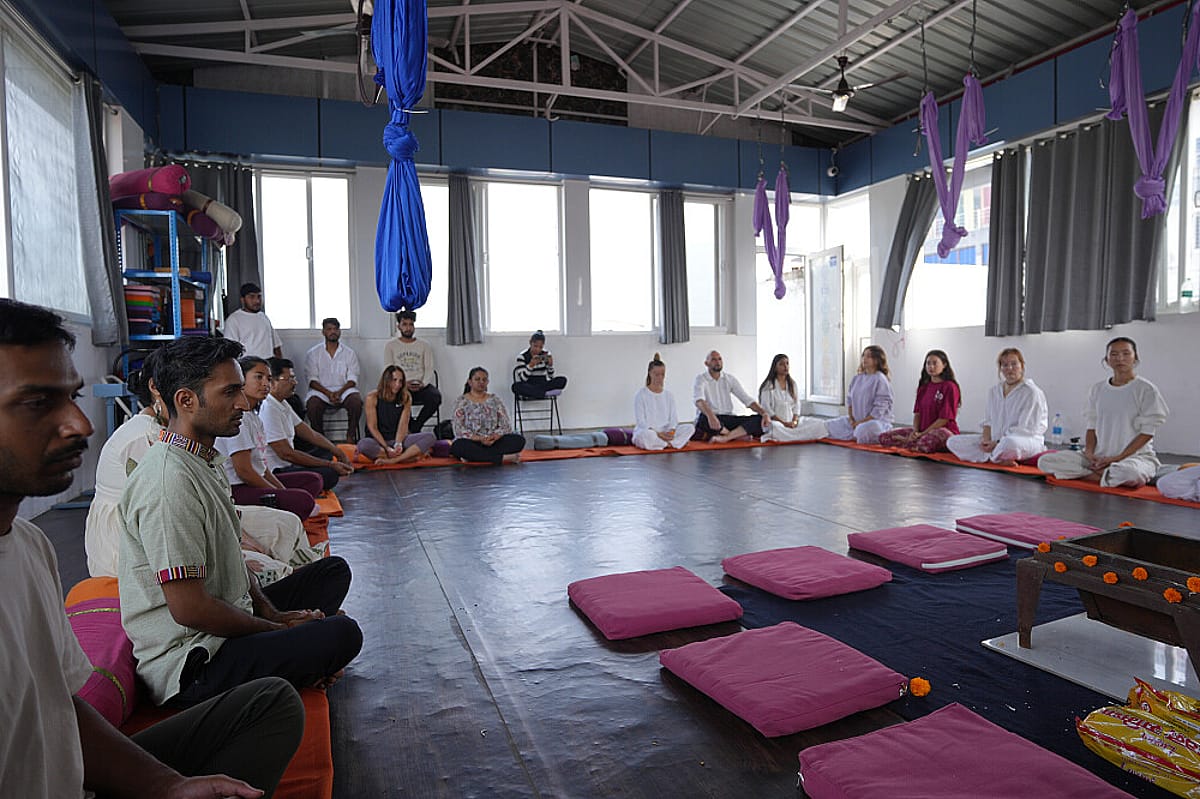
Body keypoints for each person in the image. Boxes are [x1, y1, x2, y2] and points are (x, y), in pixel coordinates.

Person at [0, 298, 304, 799]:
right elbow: (188, 605)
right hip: (186, 656)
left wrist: (166, 785)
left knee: (272, 704)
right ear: (184, 400)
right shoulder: (162, 466)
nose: (82, 425)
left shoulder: (30, 544)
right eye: (37, 402)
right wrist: (269, 625)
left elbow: (60, 708)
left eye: (72, 397)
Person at [119, 335, 363, 708]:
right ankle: (295, 660)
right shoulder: (168, 480)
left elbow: (233, 553)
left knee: (332, 572)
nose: (243, 403)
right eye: (230, 392)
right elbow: (190, 610)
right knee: (341, 633)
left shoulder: (202, 460)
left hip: (228, 622)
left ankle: (295, 658)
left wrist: (272, 611)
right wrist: (277, 628)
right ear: (186, 401)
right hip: (194, 662)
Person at [85, 352, 319, 582]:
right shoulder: (147, 441)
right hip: (134, 546)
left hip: (191, 522)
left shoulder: (179, 433)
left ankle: (305, 587)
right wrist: (239, 547)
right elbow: (170, 528)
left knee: (286, 525)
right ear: (172, 394)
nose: (243, 404)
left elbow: (210, 504)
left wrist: (240, 536)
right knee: (268, 570)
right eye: (229, 392)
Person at [1038, 337, 1169, 487]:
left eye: (1126, 353)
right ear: (1106, 360)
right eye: (1114, 354)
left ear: (1135, 358)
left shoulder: (1146, 390)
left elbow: (1147, 432)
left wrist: (1117, 458)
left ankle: (1092, 475)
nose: (1120, 358)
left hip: (1135, 457)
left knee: (1130, 474)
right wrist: (1090, 454)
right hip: (1099, 457)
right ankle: (1100, 476)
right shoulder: (1098, 389)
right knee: (1045, 461)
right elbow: (1091, 427)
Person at [216, 355, 323, 519]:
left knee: (313, 480)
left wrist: (282, 492)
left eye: (268, 378)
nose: (266, 384)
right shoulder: (239, 417)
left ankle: (287, 506)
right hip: (237, 489)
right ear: (241, 379)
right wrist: (276, 493)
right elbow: (244, 471)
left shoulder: (253, 416)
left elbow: (262, 467)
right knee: (303, 500)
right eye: (259, 377)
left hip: (255, 480)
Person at [261, 357, 355, 492]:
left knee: (326, 452)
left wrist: (337, 451)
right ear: (272, 382)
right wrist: (330, 465)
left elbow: (310, 434)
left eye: (294, 378)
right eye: (289, 379)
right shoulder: (268, 408)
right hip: (277, 471)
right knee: (329, 474)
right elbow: (286, 454)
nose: (295, 383)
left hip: (289, 464)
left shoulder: (282, 403)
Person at [947, 348, 1048, 466]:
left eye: (1014, 364)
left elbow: (1025, 430)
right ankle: (998, 457)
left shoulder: (1031, 392)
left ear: (1022, 365)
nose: (1009, 368)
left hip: (1023, 441)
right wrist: (986, 441)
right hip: (995, 440)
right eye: (1005, 365)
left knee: (1010, 443)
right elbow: (988, 422)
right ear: (1000, 369)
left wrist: (998, 443)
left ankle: (994, 456)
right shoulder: (994, 391)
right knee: (952, 441)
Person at [878, 349, 961, 452]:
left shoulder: (950, 387)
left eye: (935, 363)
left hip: (943, 431)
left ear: (944, 365)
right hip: (921, 431)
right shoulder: (924, 387)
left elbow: (944, 418)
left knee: (926, 443)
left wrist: (923, 434)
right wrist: (915, 431)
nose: (931, 366)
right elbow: (917, 413)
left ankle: (910, 442)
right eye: (928, 363)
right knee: (884, 438)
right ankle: (913, 443)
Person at [357, 365, 438, 464]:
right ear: (386, 381)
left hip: (397, 439)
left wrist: (398, 444)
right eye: (394, 380)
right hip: (378, 441)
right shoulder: (372, 397)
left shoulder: (405, 397)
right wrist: (386, 448)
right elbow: (372, 427)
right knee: (363, 445)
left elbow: (403, 424)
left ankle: (395, 460)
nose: (397, 384)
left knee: (430, 437)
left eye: (400, 381)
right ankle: (406, 457)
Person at [303, 317, 362, 442]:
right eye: (329, 329)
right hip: (321, 392)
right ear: (323, 332)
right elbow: (312, 380)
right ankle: (320, 439)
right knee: (312, 405)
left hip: (344, 390)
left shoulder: (349, 353)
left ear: (340, 331)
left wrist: (339, 392)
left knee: (356, 401)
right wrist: (328, 393)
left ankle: (350, 436)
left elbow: (352, 379)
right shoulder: (313, 353)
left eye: (335, 329)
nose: (333, 332)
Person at [450, 367, 526, 464]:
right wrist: (480, 439)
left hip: (493, 441)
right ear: (470, 382)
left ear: (487, 382)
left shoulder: (494, 400)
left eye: (484, 380)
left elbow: (505, 425)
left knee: (519, 440)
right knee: (458, 446)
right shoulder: (461, 401)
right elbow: (459, 429)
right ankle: (502, 458)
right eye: (477, 379)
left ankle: (475, 457)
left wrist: (494, 436)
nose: (481, 382)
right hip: (472, 441)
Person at [693, 350, 771, 443]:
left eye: (719, 359)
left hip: (727, 418)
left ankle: (726, 437)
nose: (718, 362)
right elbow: (699, 400)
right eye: (714, 359)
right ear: (706, 363)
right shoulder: (701, 379)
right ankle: (736, 435)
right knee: (702, 419)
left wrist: (764, 413)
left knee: (759, 419)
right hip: (711, 419)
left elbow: (746, 399)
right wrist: (711, 416)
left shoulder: (729, 379)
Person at [383, 310, 441, 433]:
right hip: (400, 386)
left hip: (420, 386)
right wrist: (402, 384)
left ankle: (416, 427)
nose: (408, 328)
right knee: (389, 400)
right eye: (405, 324)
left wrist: (423, 384)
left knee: (435, 397)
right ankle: (407, 426)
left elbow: (429, 368)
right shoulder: (391, 346)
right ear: (398, 326)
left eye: (411, 324)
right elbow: (389, 370)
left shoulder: (424, 345)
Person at [826, 345, 894, 444]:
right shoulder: (857, 378)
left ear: (877, 360)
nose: (864, 359)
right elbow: (849, 401)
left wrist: (859, 423)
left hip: (875, 423)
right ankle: (854, 433)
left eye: (869, 356)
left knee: (864, 430)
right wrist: (852, 419)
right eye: (863, 356)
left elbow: (878, 412)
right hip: (855, 422)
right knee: (829, 425)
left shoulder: (880, 379)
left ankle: (856, 433)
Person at [756, 354, 829, 442]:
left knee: (817, 423)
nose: (785, 366)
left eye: (787, 363)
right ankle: (794, 435)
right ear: (775, 367)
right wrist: (784, 423)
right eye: (782, 364)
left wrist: (794, 421)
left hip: (791, 422)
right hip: (776, 422)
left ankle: (793, 434)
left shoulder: (792, 384)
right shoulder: (768, 386)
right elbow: (766, 408)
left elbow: (797, 405)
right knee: (776, 428)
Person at [632, 353, 695, 451]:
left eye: (662, 374)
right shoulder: (641, 395)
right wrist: (658, 434)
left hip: (666, 432)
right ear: (650, 373)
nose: (660, 377)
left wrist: (671, 432)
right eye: (656, 374)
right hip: (650, 432)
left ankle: (665, 443)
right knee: (645, 435)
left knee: (690, 428)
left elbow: (673, 419)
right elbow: (641, 422)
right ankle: (670, 444)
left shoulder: (668, 395)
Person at [221, 282, 282, 360]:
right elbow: (230, 350)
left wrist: (280, 366)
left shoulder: (264, 317)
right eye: (252, 297)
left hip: (269, 364)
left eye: (259, 297)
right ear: (243, 300)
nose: (257, 301)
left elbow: (276, 346)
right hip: (248, 366)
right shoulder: (233, 320)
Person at [513, 330, 568, 399]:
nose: (537, 349)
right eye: (535, 346)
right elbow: (523, 378)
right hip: (530, 384)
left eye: (540, 347)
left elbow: (551, 376)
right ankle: (544, 394)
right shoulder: (522, 357)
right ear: (530, 343)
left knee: (563, 380)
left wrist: (550, 365)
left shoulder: (545, 354)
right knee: (516, 386)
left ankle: (539, 393)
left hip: (542, 384)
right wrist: (531, 365)